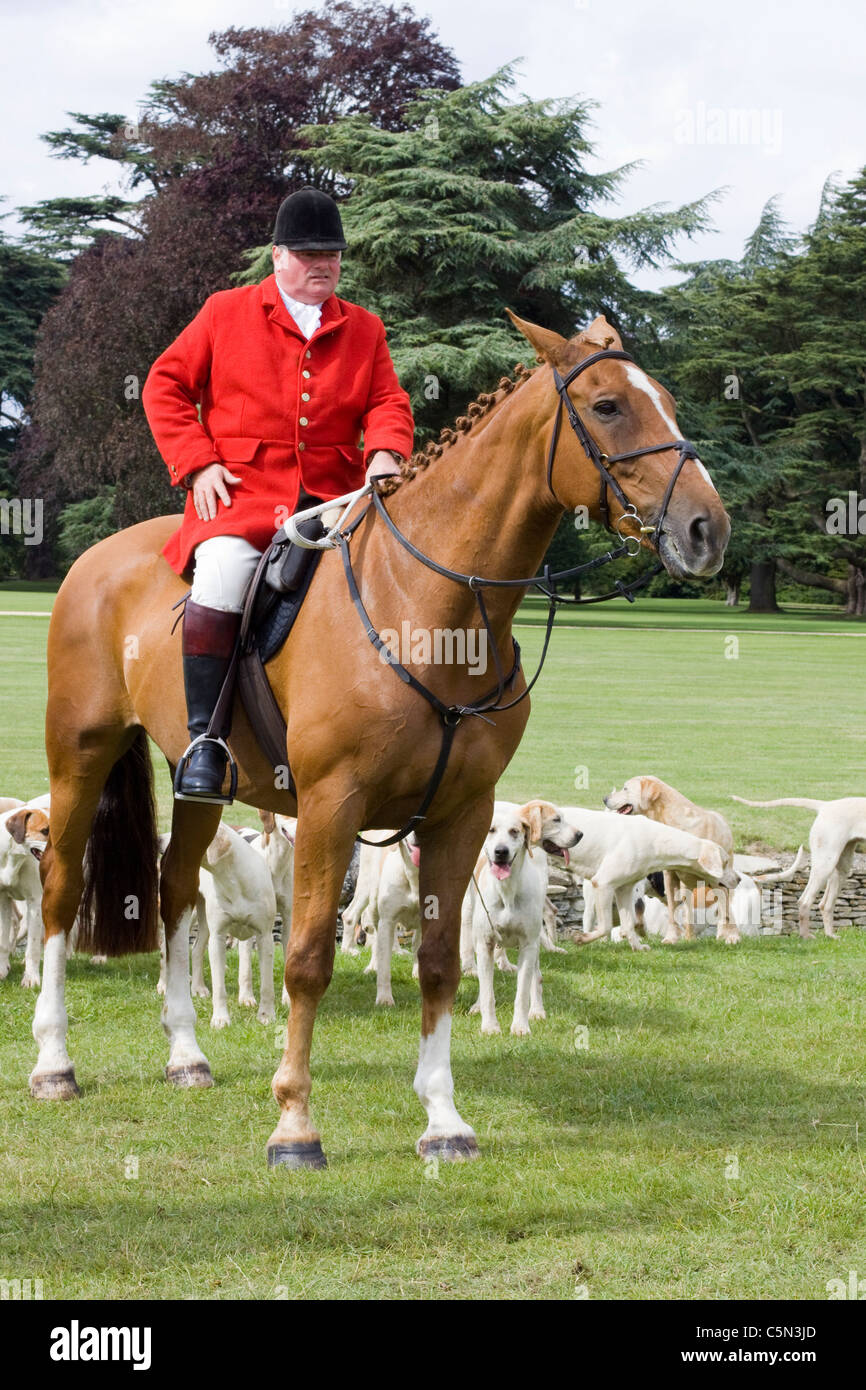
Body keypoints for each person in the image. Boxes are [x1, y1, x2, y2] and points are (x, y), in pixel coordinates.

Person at [143, 188, 415, 804]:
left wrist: (384, 452)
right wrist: (197, 464)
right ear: (277, 256)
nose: (324, 265)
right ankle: (204, 743)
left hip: (334, 502)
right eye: (310, 254)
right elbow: (164, 385)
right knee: (222, 577)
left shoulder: (364, 328)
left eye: (334, 255)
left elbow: (388, 401)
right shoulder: (225, 311)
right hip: (239, 497)